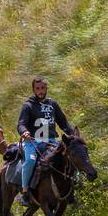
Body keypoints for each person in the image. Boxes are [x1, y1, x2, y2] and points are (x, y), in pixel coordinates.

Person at [17, 77, 76, 205]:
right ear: (33, 90)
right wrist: (24, 132)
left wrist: (73, 135)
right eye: (37, 89)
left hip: (51, 141)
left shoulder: (53, 104)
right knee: (30, 161)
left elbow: (63, 122)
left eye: (43, 88)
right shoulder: (28, 105)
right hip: (33, 141)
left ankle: (71, 190)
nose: (40, 91)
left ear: (46, 88)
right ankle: (25, 192)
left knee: (69, 157)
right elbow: (21, 124)